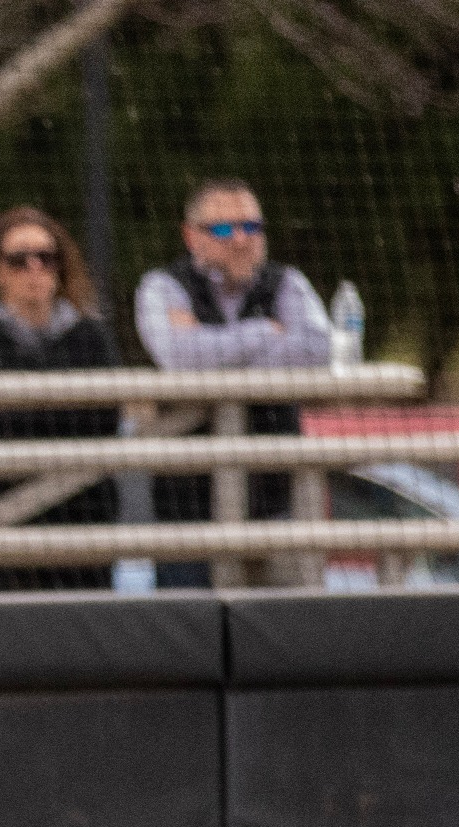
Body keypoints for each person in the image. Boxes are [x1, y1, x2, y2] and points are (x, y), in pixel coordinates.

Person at [135, 178, 332, 587]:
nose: (241, 240)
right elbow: (179, 357)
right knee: (186, 642)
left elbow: (316, 350)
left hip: (274, 501)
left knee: (285, 639)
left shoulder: (287, 282)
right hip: (187, 508)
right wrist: (265, 332)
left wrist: (213, 351)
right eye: (223, 229)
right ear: (191, 237)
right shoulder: (162, 286)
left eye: (252, 227)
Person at [0, 207, 122, 592]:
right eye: (19, 259)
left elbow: (104, 420)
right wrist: (59, 409)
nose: (35, 269)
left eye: (47, 257)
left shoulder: (90, 333)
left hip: (82, 517)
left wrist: (21, 407)